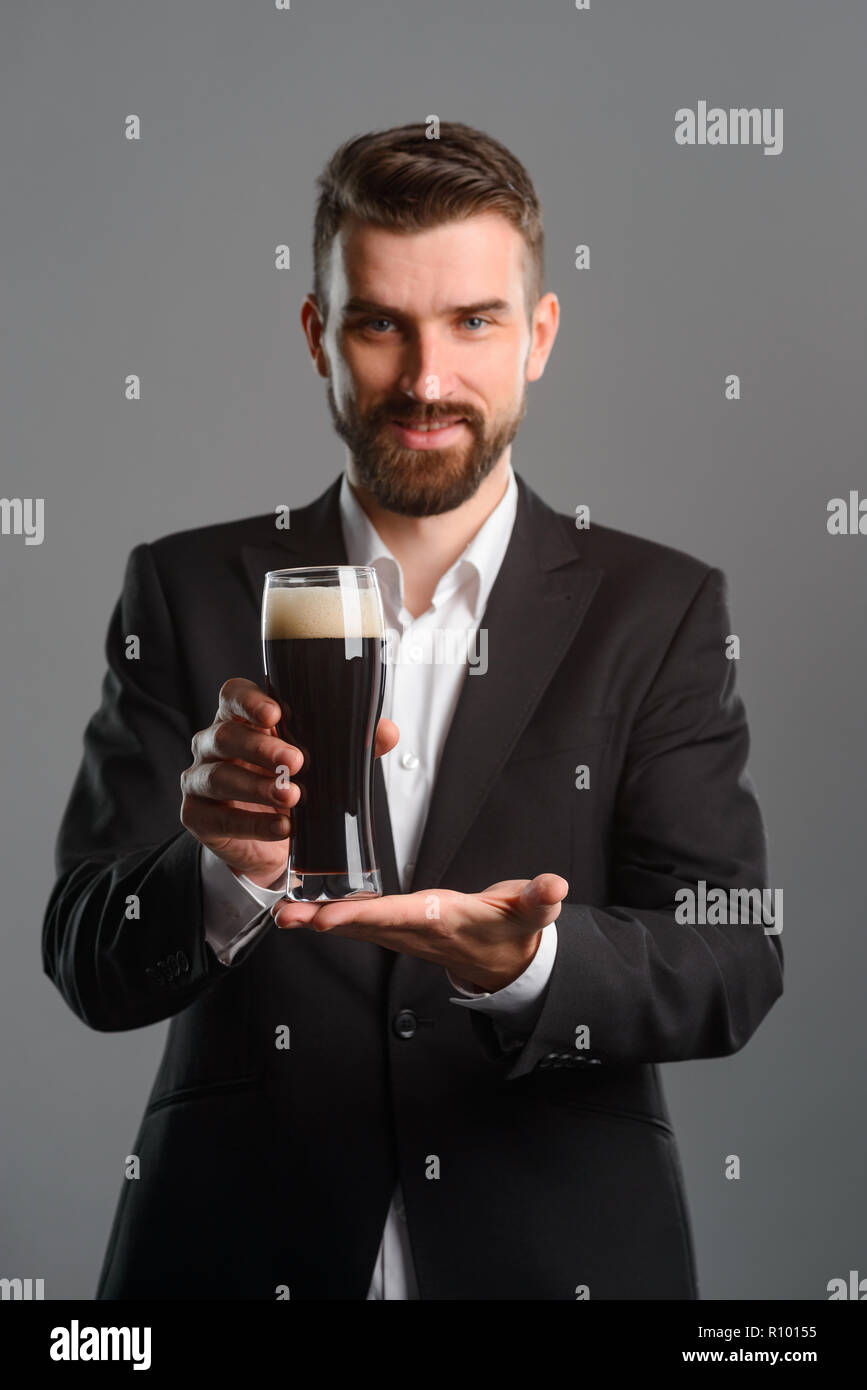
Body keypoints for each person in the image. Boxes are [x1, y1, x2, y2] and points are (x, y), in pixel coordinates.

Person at [43, 121, 783, 1300]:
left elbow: (734, 953)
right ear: (317, 337)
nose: (427, 379)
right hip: (228, 1258)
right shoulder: (185, 588)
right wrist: (221, 874)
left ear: (539, 334)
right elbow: (84, 950)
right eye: (381, 322)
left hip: (560, 1260)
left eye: (474, 321)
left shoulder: (661, 605)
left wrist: (532, 964)